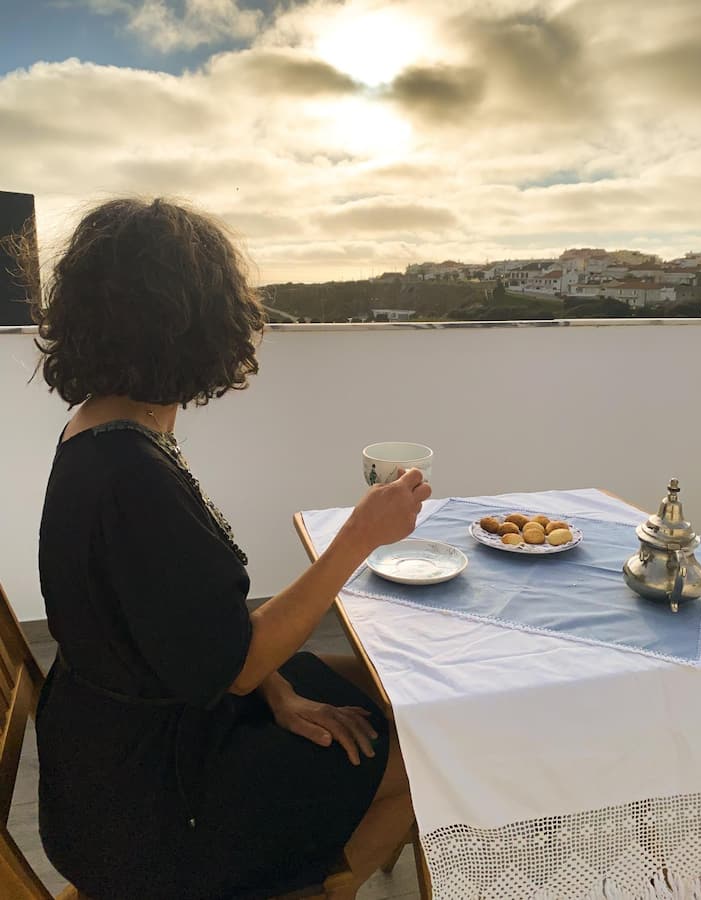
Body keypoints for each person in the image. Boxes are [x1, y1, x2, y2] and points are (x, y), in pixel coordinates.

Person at [32, 197, 432, 900]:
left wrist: (280, 689)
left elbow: (186, 629)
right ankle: (317, 890)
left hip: (119, 747)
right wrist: (359, 538)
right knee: (430, 755)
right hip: (150, 808)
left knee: (396, 692)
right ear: (195, 328)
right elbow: (236, 666)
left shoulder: (102, 430)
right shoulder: (132, 477)